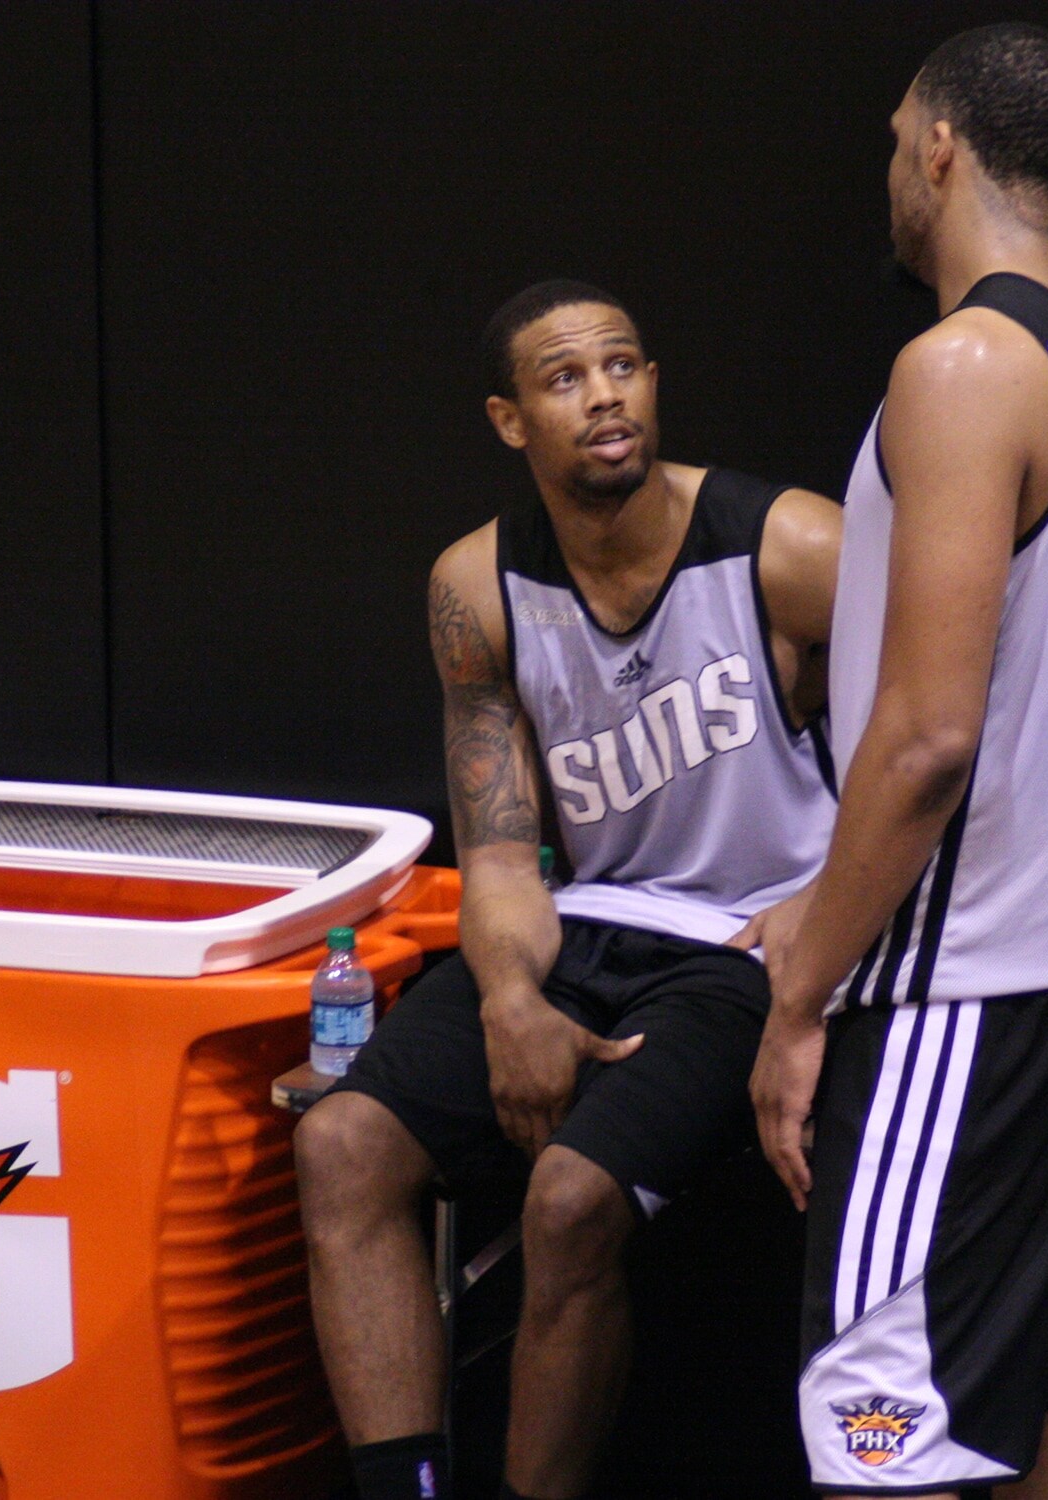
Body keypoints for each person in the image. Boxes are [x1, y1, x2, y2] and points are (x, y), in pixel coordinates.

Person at [734, 23, 1048, 1500]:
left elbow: (928, 742)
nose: (887, 176)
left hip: (968, 986)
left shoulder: (964, 365)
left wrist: (801, 999)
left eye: (890, 142)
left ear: (942, 144)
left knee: (885, 1439)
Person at [295, 278, 841, 1500]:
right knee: (339, 1147)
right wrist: (507, 1001)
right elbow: (495, 849)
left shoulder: (790, 546)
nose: (605, 395)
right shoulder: (476, 586)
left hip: (748, 943)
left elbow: (962, 726)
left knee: (571, 1196)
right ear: (509, 420)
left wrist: (834, 902)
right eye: (565, 377)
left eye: (625, 366)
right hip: (594, 923)